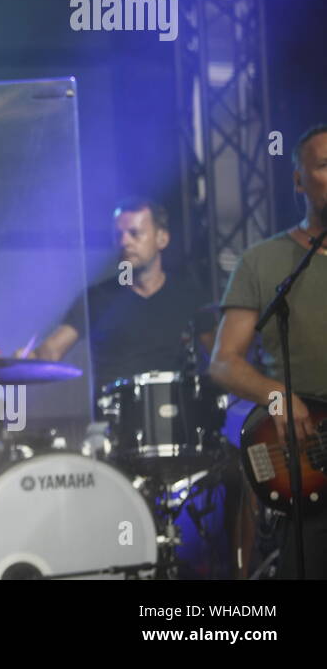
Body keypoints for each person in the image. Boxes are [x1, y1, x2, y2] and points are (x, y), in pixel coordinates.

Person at [210, 123, 327, 578]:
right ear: (299, 180)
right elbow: (224, 361)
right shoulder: (263, 261)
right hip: (308, 460)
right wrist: (279, 396)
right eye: (324, 165)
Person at [32, 198, 214, 388]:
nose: (124, 241)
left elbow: (220, 359)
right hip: (115, 413)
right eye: (119, 235)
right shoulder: (98, 297)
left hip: (176, 410)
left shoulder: (189, 297)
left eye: (134, 234)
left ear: (162, 239)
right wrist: (25, 360)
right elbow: (52, 351)